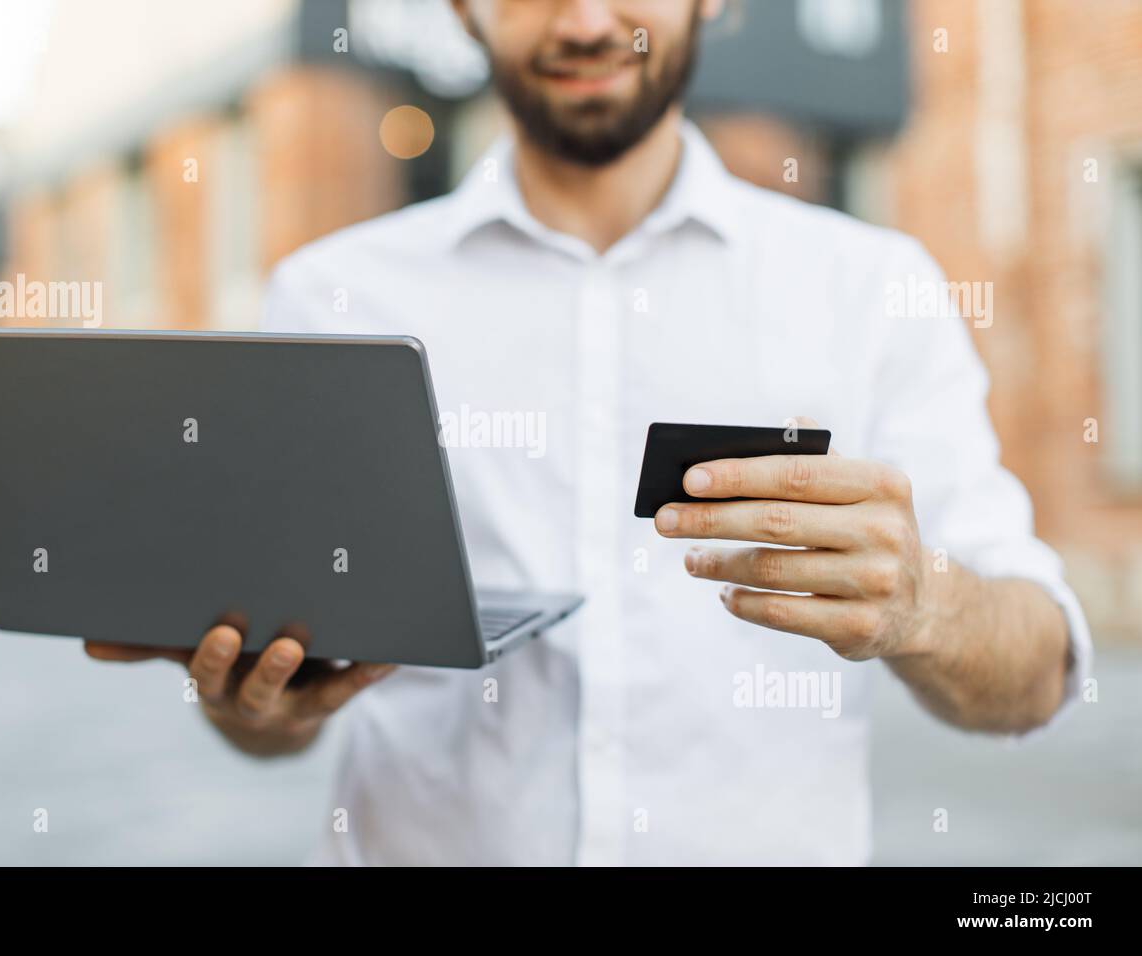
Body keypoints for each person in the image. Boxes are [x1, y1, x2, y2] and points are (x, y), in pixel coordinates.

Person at [87, 0, 1091, 865]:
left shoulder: (871, 289)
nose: (582, 21)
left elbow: (1036, 672)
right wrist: (250, 704)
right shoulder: (331, 293)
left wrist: (926, 606)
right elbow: (277, 718)